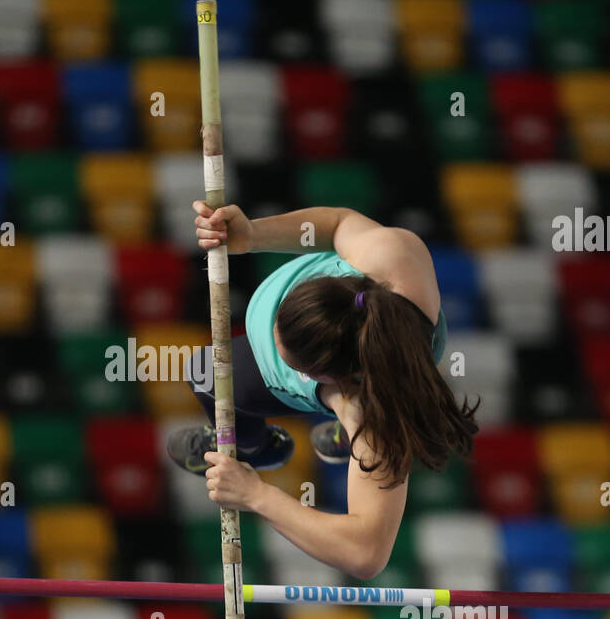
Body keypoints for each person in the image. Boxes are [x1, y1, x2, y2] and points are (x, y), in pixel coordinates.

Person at [166, 202, 479, 579]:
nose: (269, 339)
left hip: (356, 401)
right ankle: (260, 448)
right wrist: (253, 234)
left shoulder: (374, 421)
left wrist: (255, 495)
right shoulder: (391, 254)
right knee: (204, 373)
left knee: (210, 375)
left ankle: (340, 433)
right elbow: (338, 222)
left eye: (292, 362)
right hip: (353, 368)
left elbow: (365, 554)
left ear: (325, 377)